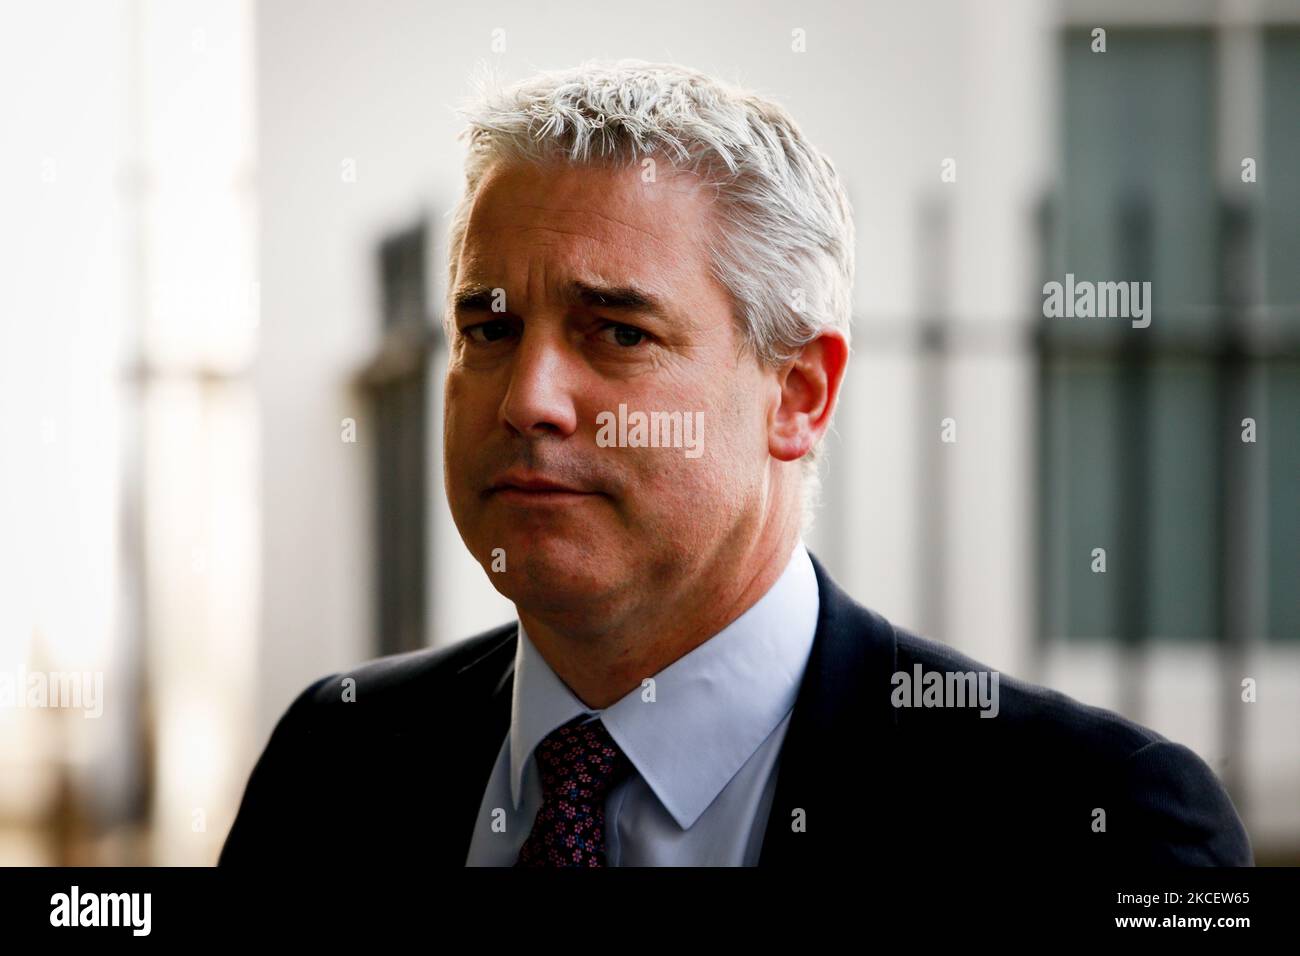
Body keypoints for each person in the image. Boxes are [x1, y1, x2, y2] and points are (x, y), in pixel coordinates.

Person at [219, 60, 1251, 868]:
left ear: (797, 394)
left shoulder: (1093, 819)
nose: (528, 396)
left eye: (616, 332)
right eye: (487, 327)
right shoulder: (338, 761)